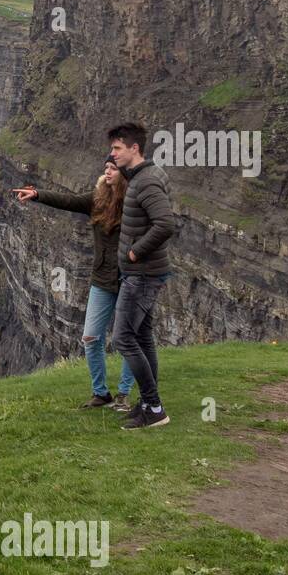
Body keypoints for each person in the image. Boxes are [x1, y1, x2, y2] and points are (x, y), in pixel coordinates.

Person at [13, 158, 136, 412]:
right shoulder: (97, 198)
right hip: (102, 279)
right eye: (105, 167)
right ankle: (101, 393)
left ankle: (124, 394)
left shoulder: (135, 202)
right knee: (91, 337)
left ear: (124, 173)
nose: (107, 171)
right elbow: (67, 200)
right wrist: (37, 194)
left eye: (112, 168)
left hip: (130, 280)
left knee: (127, 340)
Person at [106, 122, 177, 430]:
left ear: (134, 148)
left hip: (142, 275)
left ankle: (155, 408)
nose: (112, 154)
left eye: (117, 148)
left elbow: (165, 224)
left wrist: (135, 252)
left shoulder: (145, 182)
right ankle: (149, 404)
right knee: (143, 336)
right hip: (143, 273)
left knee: (123, 337)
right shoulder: (144, 176)